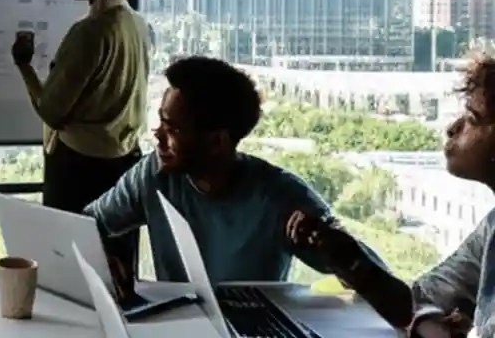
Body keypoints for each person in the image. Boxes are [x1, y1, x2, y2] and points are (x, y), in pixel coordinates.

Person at [85, 56, 382, 292]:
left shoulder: (280, 196)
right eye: (161, 122)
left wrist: (342, 255)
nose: (158, 135)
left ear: (216, 141)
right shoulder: (153, 174)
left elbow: (389, 289)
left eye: (172, 128)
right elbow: (85, 224)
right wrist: (101, 259)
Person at [296, 54, 495, 336]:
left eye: (473, 118)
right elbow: (420, 300)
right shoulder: (491, 229)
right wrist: (349, 260)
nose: (454, 128)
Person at [10, 0, 149, 272]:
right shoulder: (138, 25)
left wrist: (24, 66)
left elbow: (52, 112)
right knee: (116, 269)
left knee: (70, 269)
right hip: (124, 164)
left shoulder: (90, 32)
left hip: (78, 170)